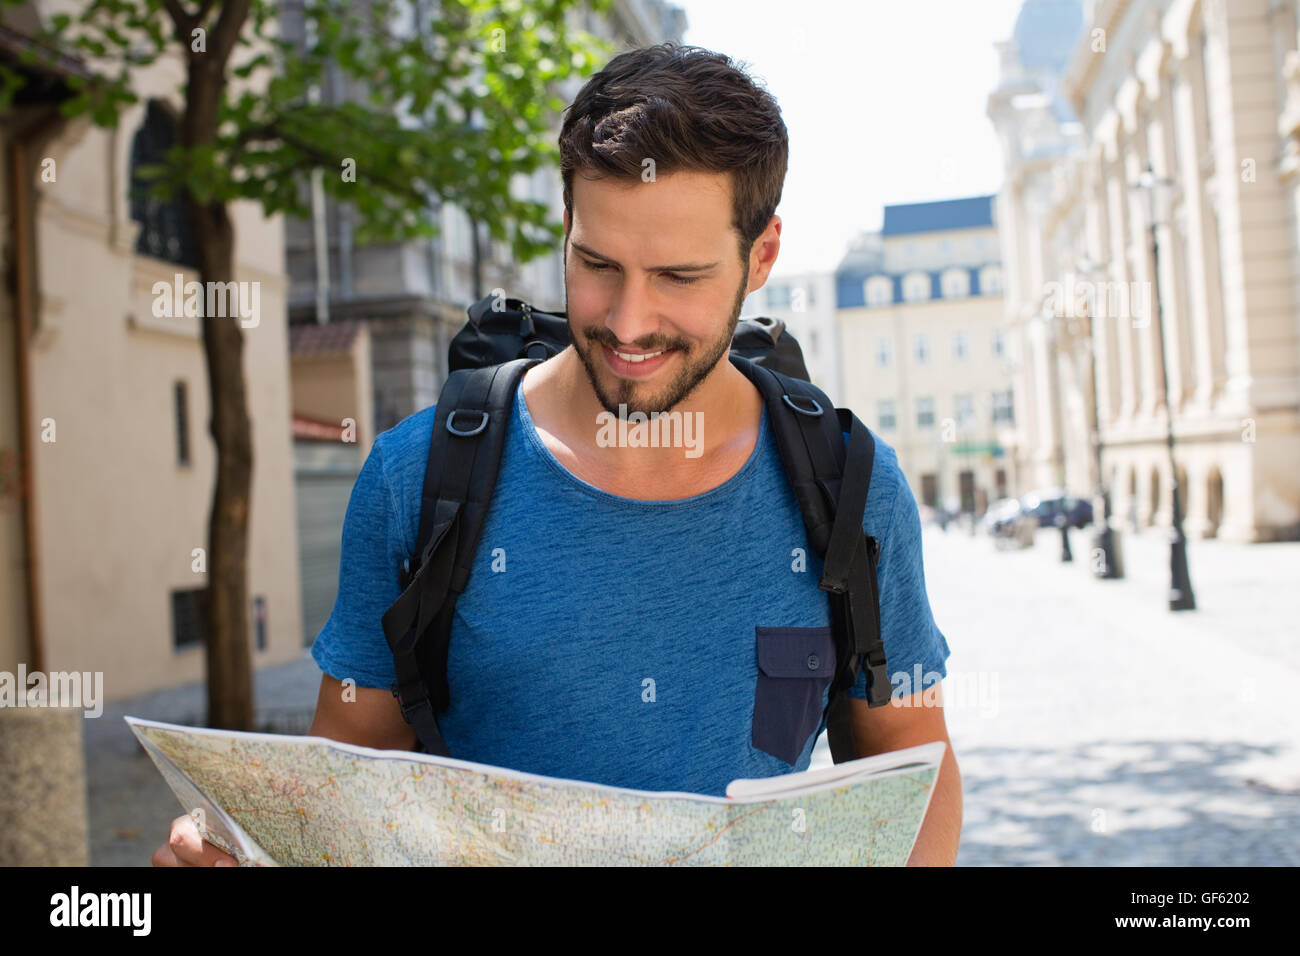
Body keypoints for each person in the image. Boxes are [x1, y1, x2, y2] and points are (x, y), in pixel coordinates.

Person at [154, 42, 962, 867]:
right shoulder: (417, 479)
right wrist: (248, 850)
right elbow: (345, 787)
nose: (628, 321)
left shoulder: (852, 488)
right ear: (566, 226)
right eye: (596, 263)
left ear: (762, 256)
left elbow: (914, 770)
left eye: (679, 275)